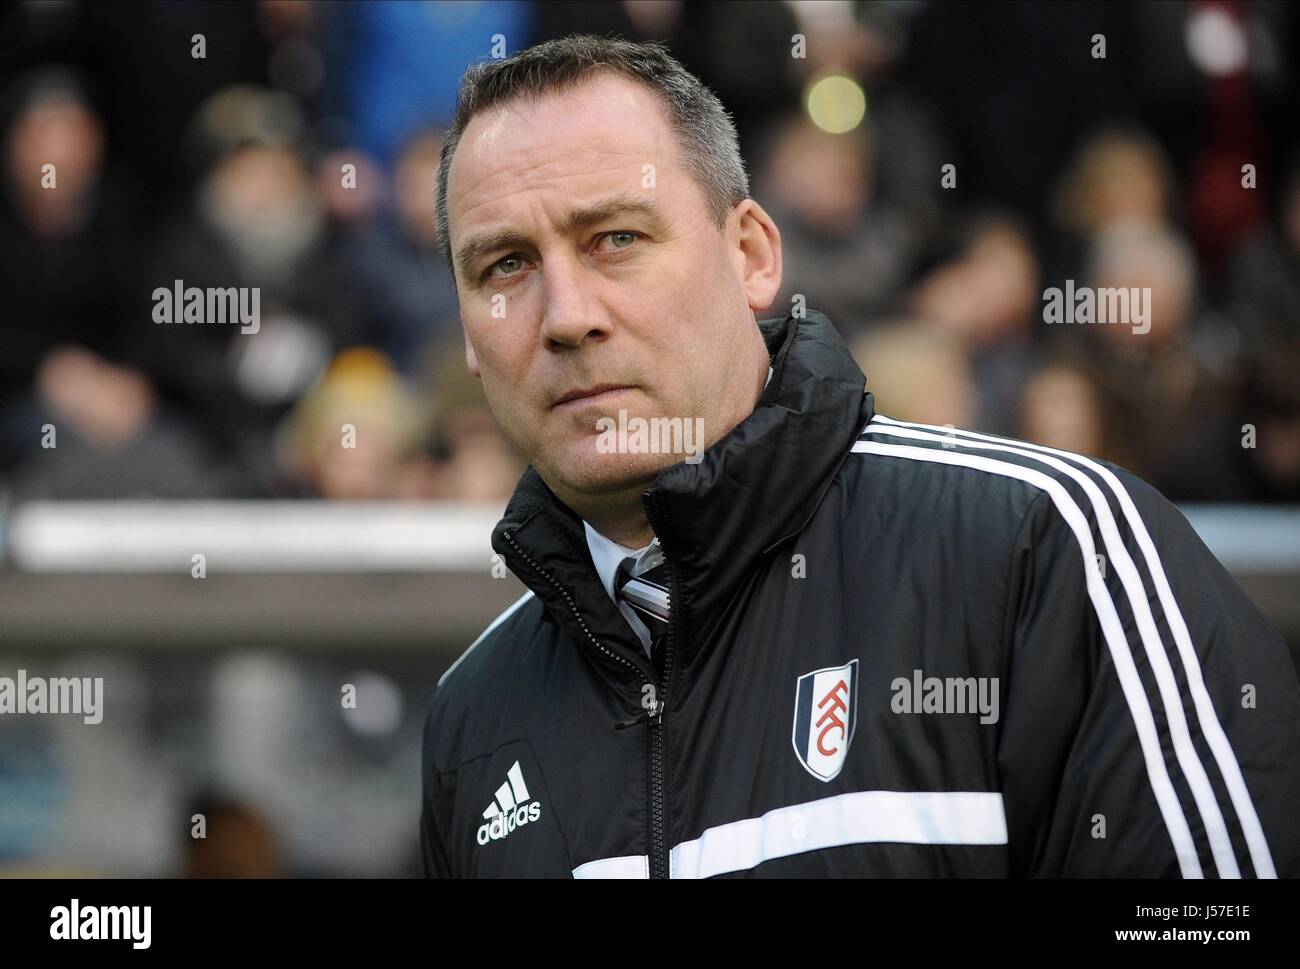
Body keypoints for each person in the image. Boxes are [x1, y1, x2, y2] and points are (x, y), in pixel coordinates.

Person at [421, 36, 1299, 878]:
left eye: (616, 238)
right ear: (466, 330)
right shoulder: (474, 719)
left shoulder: (1051, 555)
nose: (567, 314)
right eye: (505, 265)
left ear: (752, 254)